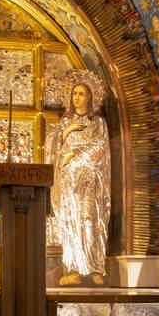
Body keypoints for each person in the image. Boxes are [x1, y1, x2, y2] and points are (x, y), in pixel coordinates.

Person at [46, 71, 111, 286]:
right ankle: (72, 268)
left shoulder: (98, 123)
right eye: (75, 93)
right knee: (71, 222)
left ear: (90, 97)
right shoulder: (65, 123)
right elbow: (53, 149)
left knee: (90, 220)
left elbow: (100, 146)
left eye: (82, 93)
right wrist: (68, 131)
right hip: (68, 181)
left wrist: (75, 155)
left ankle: (94, 268)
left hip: (89, 177)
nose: (77, 97)